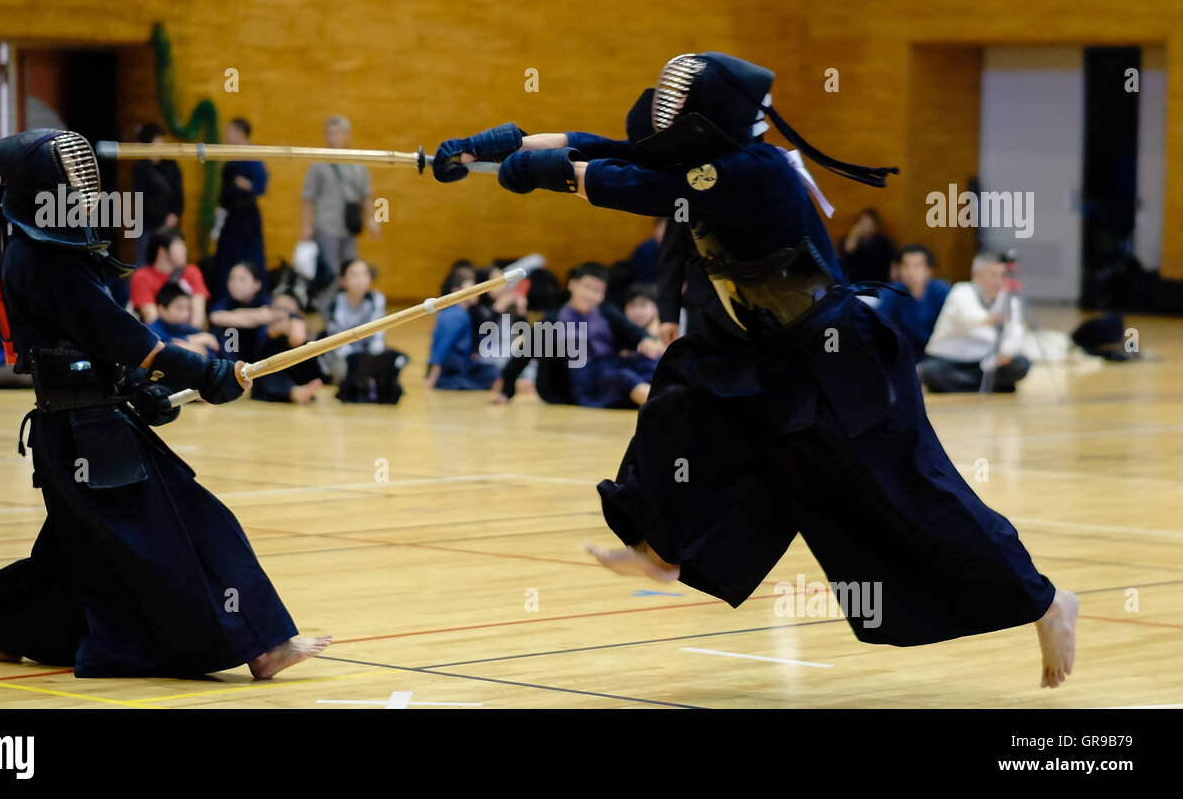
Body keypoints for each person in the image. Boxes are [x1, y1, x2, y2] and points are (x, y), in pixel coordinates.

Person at [432, 51, 1077, 689]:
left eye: (677, 102)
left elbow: (630, 182)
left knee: (905, 492)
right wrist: (489, 149)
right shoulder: (698, 159)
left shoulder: (750, 171)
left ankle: (1044, 601)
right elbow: (604, 147)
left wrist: (538, 170)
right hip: (771, 354)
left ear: (706, 116)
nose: (664, 113)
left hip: (840, 359)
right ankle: (663, 548)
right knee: (683, 407)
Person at [0, 129, 329, 678]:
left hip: (86, 426)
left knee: (81, 554)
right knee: (189, 528)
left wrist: (138, 388)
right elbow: (120, 335)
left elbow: (89, 341)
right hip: (85, 436)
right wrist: (206, 371)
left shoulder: (49, 252)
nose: (84, 190)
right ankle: (257, 645)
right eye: (71, 181)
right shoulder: (44, 259)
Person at [556, 262, 664, 408]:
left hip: (612, 364)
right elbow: (526, 351)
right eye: (587, 287)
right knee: (624, 377)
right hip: (589, 377)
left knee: (652, 362)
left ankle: (681, 397)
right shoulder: (554, 319)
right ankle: (669, 408)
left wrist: (645, 339)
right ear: (572, 284)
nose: (591, 295)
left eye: (598, 291)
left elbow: (629, 329)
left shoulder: (605, 311)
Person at [921, 251, 1031, 393]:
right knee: (931, 371)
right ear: (977, 275)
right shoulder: (961, 291)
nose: (999, 281)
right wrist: (994, 318)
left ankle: (970, 385)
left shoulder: (1008, 298)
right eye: (993, 275)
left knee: (1021, 364)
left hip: (985, 362)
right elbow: (968, 320)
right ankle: (986, 386)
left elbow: (1016, 333)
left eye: (1002, 275)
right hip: (950, 361)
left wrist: (1004, 353)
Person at [300, 115, 378, 284]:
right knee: (329, 269)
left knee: (350, 268)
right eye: (329, 134)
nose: (332, 138)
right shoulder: (318, 163)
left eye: (336, 133)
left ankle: (344, 305)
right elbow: (307, 197)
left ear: (347, 135)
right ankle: (329, 307)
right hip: (326, 225)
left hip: (350, 225)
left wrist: (372, 219)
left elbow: (366, 194)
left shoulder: (358, 162)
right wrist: (306, 226)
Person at [212, 118, 268, 300]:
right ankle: (225, 297)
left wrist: (242, 183)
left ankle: (253, 297)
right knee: (225, 258)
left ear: (240, 131)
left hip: (247, 220)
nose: (227, 135)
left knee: (249, 258)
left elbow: (261, 185)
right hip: (231, 217)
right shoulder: (232, 155)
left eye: (230, 131)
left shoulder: (251, 155)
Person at [425, 268, 496, 390]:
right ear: (456, 291)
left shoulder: (464, 312)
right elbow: (441, 346)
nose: (475, 293)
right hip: (452, 370)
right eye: (469, 290)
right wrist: (431, 378)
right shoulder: (454, 315)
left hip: (461, 364)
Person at [876, 244, 950, 359]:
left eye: (917, 266)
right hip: (904, 355)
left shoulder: (941, 290)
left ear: (928, 270)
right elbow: (878, 322)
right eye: (906, 266)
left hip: (939, 353)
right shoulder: (892, 292)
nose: (910, 271)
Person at [129, 227, 209, 327]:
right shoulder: (142, 277)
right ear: (162, 250)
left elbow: (198, 318)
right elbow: (152, 319)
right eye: (179, 245)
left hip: (190, 333)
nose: (184, 249)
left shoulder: (192, 271)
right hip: (159, 338)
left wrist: (193, 337)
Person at [130, 123, 184, 262]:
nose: (162, 144)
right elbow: (141, 198)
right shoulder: (141, 168)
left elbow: (178, 193)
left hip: (170, 225)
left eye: (162, 140)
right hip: (148, 225)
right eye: (158, 140)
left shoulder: (171, 165)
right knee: (144, 262)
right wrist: (163, 218)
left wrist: (174, 214)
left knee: (171, 263)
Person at [149, 282, 221, 357]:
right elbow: (160, 347)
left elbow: (211, 355)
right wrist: (191, 340)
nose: (186, 314)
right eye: (180, 308)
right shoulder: (151, 330)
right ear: (162, 309)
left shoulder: (191, 329)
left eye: (189, 309)